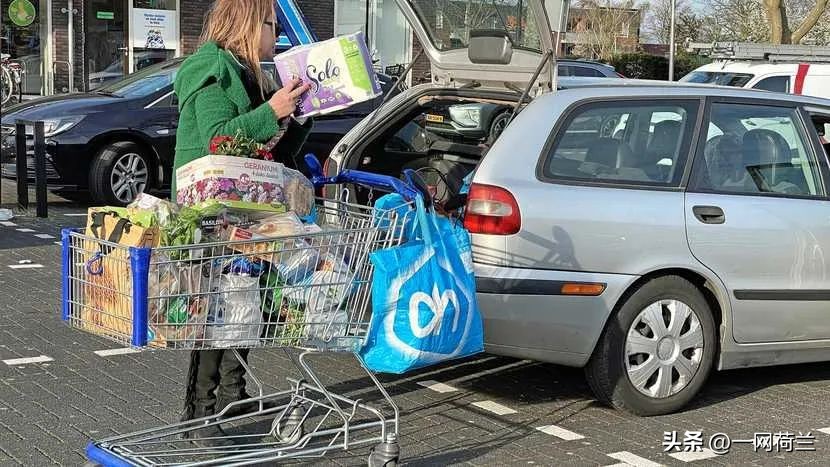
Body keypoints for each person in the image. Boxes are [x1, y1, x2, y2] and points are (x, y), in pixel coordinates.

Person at [171, 0, 313, 444]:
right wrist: (272, 109)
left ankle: (234, 392)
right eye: (272, 25)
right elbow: (220, 138)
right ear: (250, 25)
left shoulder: (251, 72)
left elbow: (268, 144)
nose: (276, 36)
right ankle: (199, 414)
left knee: (244, 301)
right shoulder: (211, 69)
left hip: (248, 208)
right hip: (210, 213)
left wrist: (296, 116)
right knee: (217, 308)